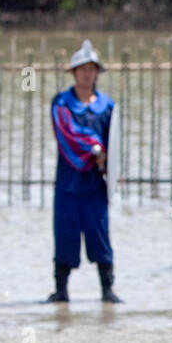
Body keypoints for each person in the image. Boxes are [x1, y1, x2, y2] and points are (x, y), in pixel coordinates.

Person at [49, 39, 119, 304]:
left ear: (96, 73)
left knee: (100, 235)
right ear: (75, 72)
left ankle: (107, 291)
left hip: (94, 185)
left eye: (92, 69)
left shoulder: (107, 106)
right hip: (68, 184)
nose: (87, 74)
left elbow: (114, 144)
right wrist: (94, 147)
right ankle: (61, 292)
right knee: (65, 235)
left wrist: (106, 160)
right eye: (82, 69)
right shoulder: (62, 103)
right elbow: (67, 133)